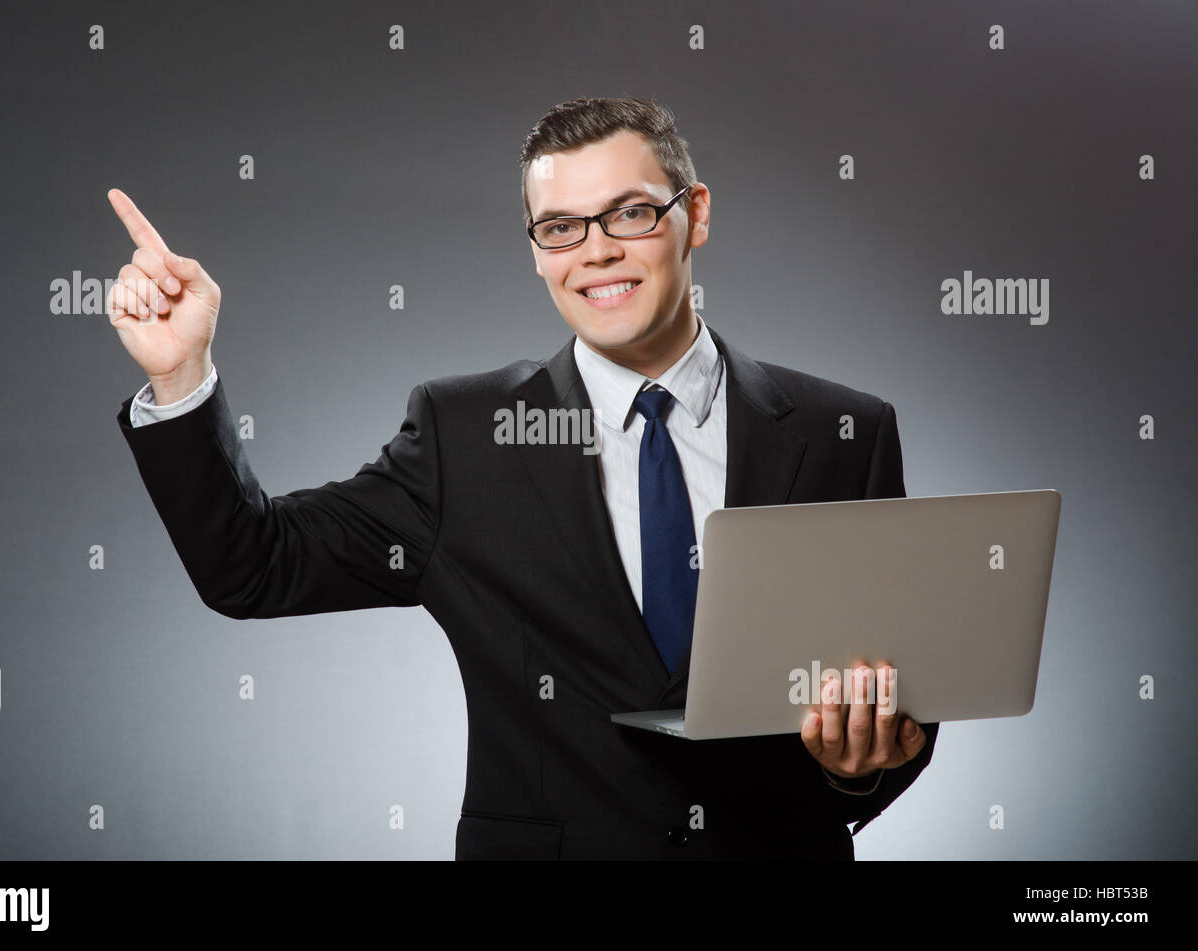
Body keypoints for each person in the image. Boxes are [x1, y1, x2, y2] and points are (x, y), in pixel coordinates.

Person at [107, 96, 938, 860]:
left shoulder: (845, 433)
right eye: (561, 228)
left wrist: (854, 772)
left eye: (632, 212)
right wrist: (184, 379)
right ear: (536, 253)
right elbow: (254, 565)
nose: (598, 250)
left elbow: (905, 705)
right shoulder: (462, 438)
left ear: (697, 216)